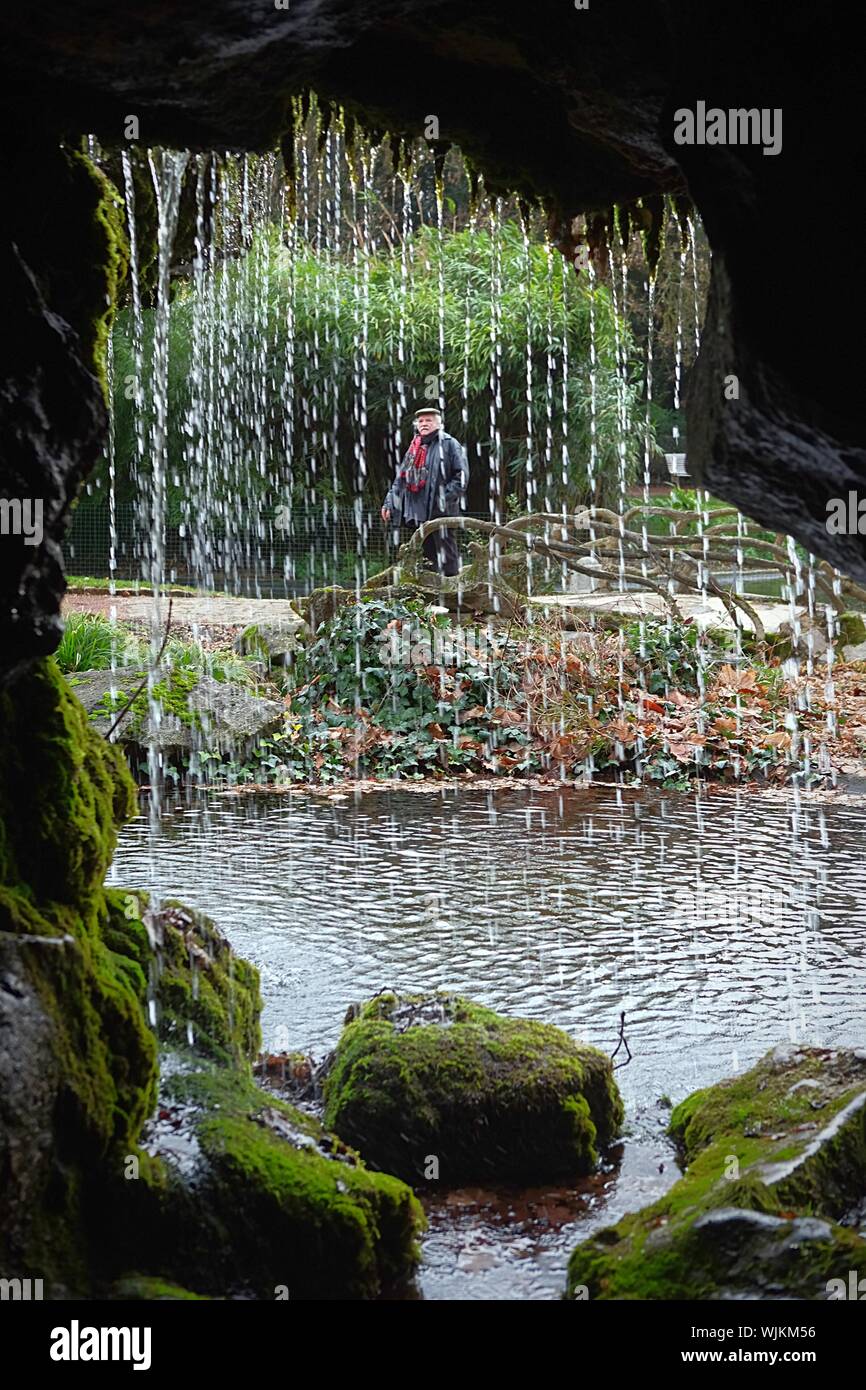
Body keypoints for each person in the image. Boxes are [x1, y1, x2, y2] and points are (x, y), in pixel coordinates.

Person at [380, 405, 469, 576]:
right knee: (426, 557)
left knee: (446, 554)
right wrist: (389, 503)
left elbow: (461, 477)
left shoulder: (449, 444)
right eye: (421, 421)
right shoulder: (415, 447)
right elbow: (401, 479)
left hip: (441, 511)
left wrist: (442, 499)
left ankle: (454, 595)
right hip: (418, 512)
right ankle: (431, 596)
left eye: (429, 420)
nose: (424, 423)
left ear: (438, 424)